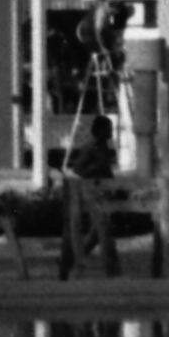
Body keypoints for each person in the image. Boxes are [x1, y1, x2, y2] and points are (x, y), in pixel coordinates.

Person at [58, 99, 116, 280]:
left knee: (100, 229)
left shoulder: (103, 147)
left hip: (97, 193)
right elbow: (81, 170)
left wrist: (112, 185)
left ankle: (76, 257)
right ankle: (76, 260)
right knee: (98, 227)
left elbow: (106, 171)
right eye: (108, 128)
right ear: (99, 130)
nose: (111, 131)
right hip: (85, 192)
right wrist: (97, 174)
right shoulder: (92, 147)